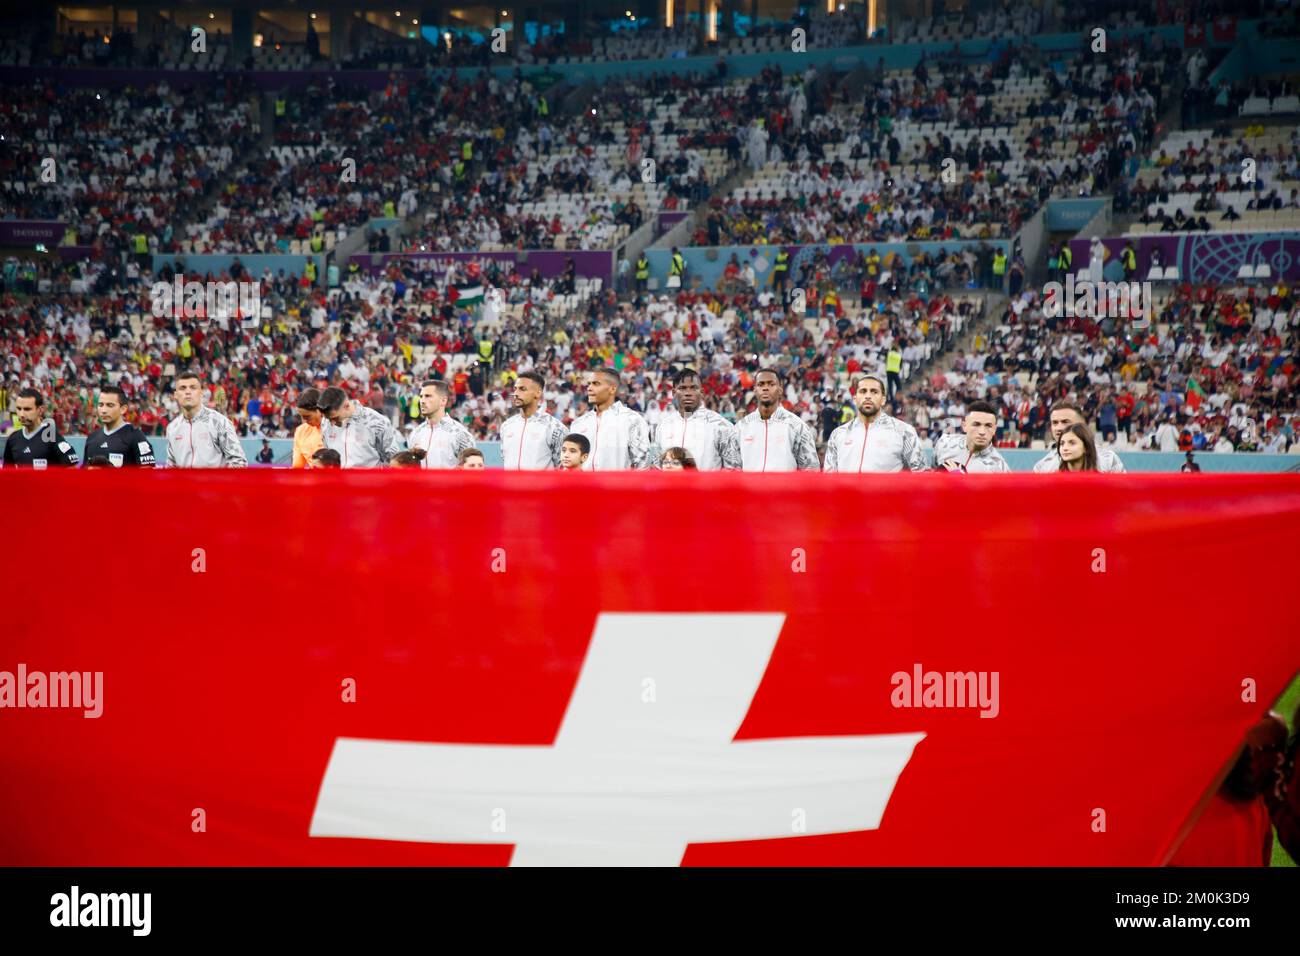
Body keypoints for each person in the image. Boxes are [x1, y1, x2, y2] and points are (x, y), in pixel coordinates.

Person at [823, 375, 926, 473]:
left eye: (874, 392)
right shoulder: (838, 434)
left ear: (883, 400)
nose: (868, 396)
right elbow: (829, 478)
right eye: (863, 391)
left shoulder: (904, 431)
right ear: (855, 399)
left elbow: (920, 475)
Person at [653, 368, 741, 470]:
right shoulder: (664, 426)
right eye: (682, 388)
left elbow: (734, 468)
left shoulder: (720, 425)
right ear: (673, 392)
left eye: (693, 388)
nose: (688, 393)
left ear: (702, 392)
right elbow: (657, 466)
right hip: (670, 486)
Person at [737, 369, 819, 472]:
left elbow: (811, 468)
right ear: (755, 390)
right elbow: (733, 468)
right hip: (748, 488)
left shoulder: (797, 426)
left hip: (785, 488)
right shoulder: (741, 427)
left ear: (780, 390)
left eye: (771, 384)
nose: (765, 388)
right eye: (761, 384)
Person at [567, 368, 650, 470]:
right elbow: (571, 463)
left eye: (596, 384)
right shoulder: (578, 423)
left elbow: (643, 466)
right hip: (583, 485)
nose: (589, 388)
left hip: (618, 485)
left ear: (612, 389)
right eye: (589, 384)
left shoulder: (633, 420)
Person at [165, 373, 248, 468]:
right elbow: (171, 467)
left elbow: (239, 462)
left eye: (193, 388)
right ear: (176, 395)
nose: (188, 392)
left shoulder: (219, 422)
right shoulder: (172, 428)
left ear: (201, 393)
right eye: (183, 388)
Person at [318, 385, 403, 468]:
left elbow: (393, 459)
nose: (331, 423)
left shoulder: (376, 422)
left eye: (335, 418)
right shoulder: (325, 423)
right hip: (339, 480)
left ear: (346, 406)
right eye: (328, 418)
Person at [1032, 401, 1126, 473]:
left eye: (1065, 422)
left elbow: (1123, 494)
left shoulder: (1108, 460)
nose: (1059, 428)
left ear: (1081, 424)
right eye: (1055, 423)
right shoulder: (1043, 467)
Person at [498, 371, 565, 469]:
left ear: (538, 393)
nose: (515, 393)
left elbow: (562, 467)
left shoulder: (555, 427)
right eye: (515, 389)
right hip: (509, 484)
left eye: (522, 389)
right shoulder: (506, 426)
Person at [1, 388, 79, 467]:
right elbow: (7, 473)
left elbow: (72, 469)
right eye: (19, 409)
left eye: (27, 409)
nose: (22, 414)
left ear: (40, 410)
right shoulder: (13, 439)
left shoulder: (51, 437)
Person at [83, 385, 157, 467]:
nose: (103, 410)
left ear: (123, 409)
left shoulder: (136, 437)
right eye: (101, 405)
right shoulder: (92, 438)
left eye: (110, 405)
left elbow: (148, 474)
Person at [407, 380, 474, 469]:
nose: (422, 401)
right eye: (421, 396)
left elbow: (472, 471)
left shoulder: (460, 433)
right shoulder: (415, 433)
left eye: (428, 396)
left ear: (443, 401)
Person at [932, 401, 1011, 473]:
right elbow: (931, 473)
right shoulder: (944, 443)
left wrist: (959, 482)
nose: (982, 432)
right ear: (964, 426)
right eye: (976, 424)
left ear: (994, 430)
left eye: (988, 426)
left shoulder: (1000, 468)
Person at [291, 388, 325, 468]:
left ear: (319, 410)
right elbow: (297, 467)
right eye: (302, 417)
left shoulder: (338, 428)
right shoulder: (300, 431)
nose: (304, 421)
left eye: (307, 417)